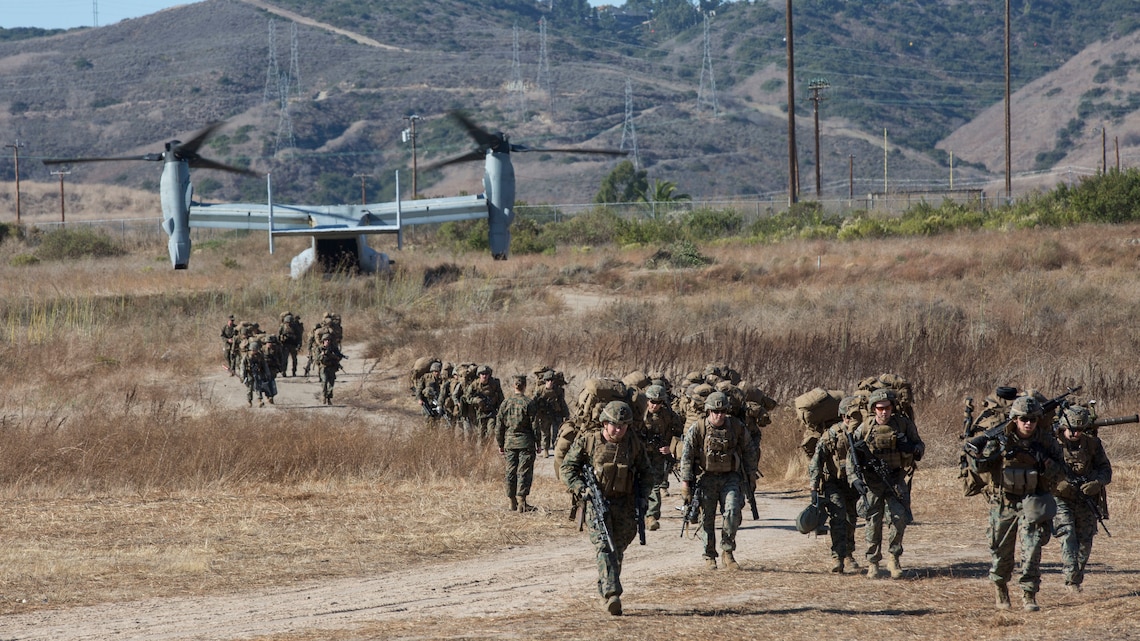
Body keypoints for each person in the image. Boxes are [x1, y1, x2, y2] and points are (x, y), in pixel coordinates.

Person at [965, 395, 1064, 611]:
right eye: (1023, 419)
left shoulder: (1046, 441)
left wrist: (1044, 462)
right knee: (1001, 552)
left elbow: (1062, 472)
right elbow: (980, 467)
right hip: (1005, 502)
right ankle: (1000, 587)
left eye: (1033, 419)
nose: (1028, 423)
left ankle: (1029, 594)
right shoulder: (1001, 438)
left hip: (1033, 500)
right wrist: (979, 451)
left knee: (1032, 549)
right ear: (1015, 419)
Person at [560, 401, 653, 616]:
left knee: (617, 549)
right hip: (596, 502)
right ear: (604, 423)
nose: (618, 430)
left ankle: (605, 586)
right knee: (604, 545)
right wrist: (581, 488)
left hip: (625, 504)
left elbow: (647, 472)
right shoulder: (589, 441)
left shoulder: (633, 444)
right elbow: (568, 468)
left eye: (623, 426)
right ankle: (612, 594)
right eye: (614, 425)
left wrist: (643, 497)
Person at [679, 391, 759, 571]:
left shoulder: (736, 427)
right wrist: (685, 484)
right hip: (705, 478)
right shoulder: (698, 428)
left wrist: (751, 475)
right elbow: (687, 456)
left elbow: (749, 450)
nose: (719, 415)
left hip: (730, 477)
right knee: (706, 518)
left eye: (722, 411)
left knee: (732, 511)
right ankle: (709, 555)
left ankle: (727, 551)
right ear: (708, 411)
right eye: (715, 411)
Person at [848, 388, 923, 580]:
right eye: (880, 408)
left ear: (892, 408)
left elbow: (920, 446)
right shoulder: (865, 427)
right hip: (872, 483)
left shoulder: (903, 425)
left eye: (887, 408)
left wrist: (911, 448)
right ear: (873, 409)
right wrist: (854, 479)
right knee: (873, 522)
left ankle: (893, 559)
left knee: (898, 519)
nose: (883, 412)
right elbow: (852, 455)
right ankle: (873, 562)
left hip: (895, 479)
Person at [1052, 405, 1112, 594]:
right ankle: (1070, 578)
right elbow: (1041, 469)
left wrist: (1097, 483)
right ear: (1063, 427)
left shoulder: (1093, 444)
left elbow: (1105, 470)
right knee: (1067, 533)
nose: (1075, 433)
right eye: (1071, 429)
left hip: (1086, 499)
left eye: (1079, 429)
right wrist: (1058, 483)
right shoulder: (1052, 444)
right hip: (1062, 498)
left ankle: (1076, 579)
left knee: (1085, 540)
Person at [809, 396, 862, 573]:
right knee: (838, 518)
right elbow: (816, 461)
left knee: (851, 519)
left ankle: (848, 554)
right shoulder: (832, 434)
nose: (849, 420)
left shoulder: (861, 433)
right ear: (842, 416)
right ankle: (837, 557)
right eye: (847, 416)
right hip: (834, 483)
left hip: (853, 484)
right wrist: (814, 486)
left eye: (852, 416)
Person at [639, 384, 684, 532]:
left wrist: (670, 448)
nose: (655, 405)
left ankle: (651, 516)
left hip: (658, 455)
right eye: (652, 401)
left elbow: (679, 434)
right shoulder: (639, 413)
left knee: (655, 484)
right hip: (640, 454)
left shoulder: (668, 415)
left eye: (658, 402)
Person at [497, 375, 540, 512]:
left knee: (510, 472)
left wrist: (500, 444)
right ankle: (522, 502)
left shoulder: (506, 403)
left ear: (513, 385)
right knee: (524, 472)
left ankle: (512, 502)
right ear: (525, 386)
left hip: (510, 443)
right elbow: (535, 425)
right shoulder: (529, 403)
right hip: (526, 442)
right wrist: (538, 443)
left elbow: (499, 426)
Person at [533, 369, 570, 458]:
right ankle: (546, 449)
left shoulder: (558, 390)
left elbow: (562, 402)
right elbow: (534, 402)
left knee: (556, 432)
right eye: (548, 380)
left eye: (552, 380)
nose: (550, 382)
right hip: (544, 414)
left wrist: (566, 414)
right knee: (545, 433)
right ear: (545, 380)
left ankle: (556, 448)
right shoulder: (540, 390)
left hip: (556, 413)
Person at [465, 365, 504, 440]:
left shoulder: (494, 384)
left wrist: (501, 411)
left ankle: (488, 446)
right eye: (482, 374)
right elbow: (467, 398)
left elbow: (501, 398)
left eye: (486, 374)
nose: (484, 376)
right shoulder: (474, 385)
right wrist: (476, 400)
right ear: (479, 375)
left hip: (492, 412)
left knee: (491, 432)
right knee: (480, 435)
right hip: (480, 413)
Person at [317, 337, 346, 405]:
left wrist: (334, 357)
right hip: (323, 368)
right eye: (326, 340)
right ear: (323, 341)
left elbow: (339, 356)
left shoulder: (333, 348)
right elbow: (316, 359)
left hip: (331, 367)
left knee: (331, 383)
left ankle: (329, 398)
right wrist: (321, 355)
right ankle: (324, 396)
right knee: (324, 382)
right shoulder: (319, 348)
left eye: (328, 340)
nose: (327, 341)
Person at [278, 312, 303, 377]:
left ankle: (294, 371)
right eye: (287, 323)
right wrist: (279, 344)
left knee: (294, 359)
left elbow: (299, 336)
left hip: (293, 345)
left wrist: (299, 345)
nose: (288, 324)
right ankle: (283, 371)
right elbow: (278, 336)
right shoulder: (282, 326)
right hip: (285, 345)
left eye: (290, 323)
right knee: (284, 359)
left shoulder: (295, 327)